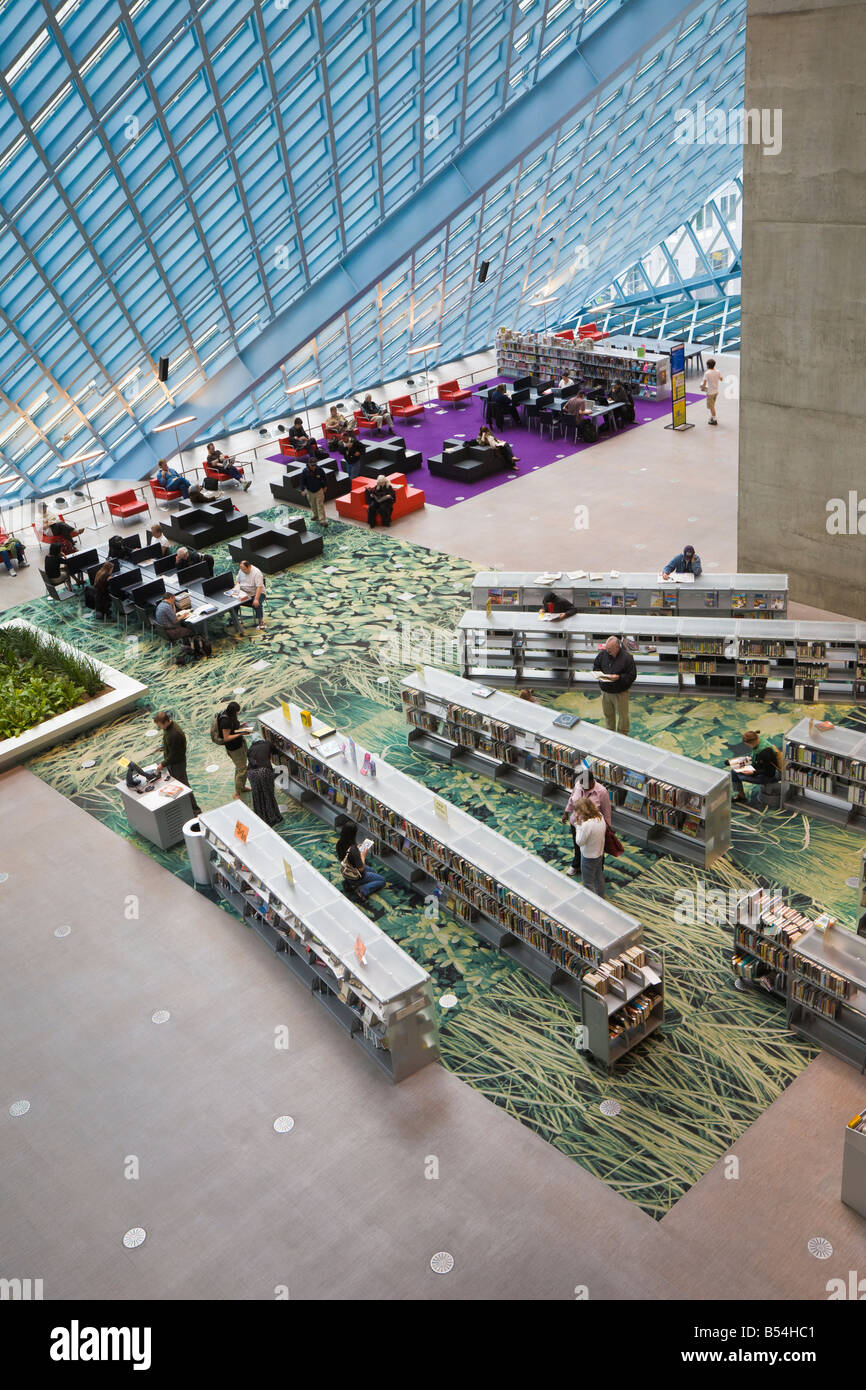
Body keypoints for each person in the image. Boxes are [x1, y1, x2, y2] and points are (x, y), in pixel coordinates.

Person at [562, 765, 611, 877]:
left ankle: (598, 870)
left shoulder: (602, 792)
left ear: (592, 781)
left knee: (596, 849)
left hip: (593, 827)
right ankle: (576, 865)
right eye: (581, 785)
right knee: (577, 845)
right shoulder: (578, 785)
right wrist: (566, 812)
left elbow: (607, 812)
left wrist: (607, 830)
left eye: (585, 786)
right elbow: (572, 799)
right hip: (576, 823)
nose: (582, 788)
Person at [153, 711, 201, 814]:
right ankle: (187, 808)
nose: (159, 728)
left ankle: (195, 810)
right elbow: (170, 745)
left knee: (184, 787)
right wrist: (163, 747)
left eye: (160, 725)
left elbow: (174, 755)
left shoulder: (174, 734)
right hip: (173, 763)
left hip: (177, 764)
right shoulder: (168, 728)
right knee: (179, 785)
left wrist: (162, 764)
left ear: (166, 722)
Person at [592, 635, 636, 734]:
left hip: (620, 693)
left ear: (617, 647)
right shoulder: (602, 654)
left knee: (623, 716)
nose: (608, 651)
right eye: (607, 648)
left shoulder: (627, 658)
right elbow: (596, 667)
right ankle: (609, 732)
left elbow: (632, 676)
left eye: (610, 649)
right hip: (605, 692)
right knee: (608, 714)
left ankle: (623, 734)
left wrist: (619, 677)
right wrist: (600, 675)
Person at [336, 820, 386, 904]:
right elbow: (361, 868)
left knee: (372, 871)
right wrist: (363, 855)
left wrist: (357, 849)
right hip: (355, 875)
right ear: (353, 834)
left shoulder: (339, 843)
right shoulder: (354, 850)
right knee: (382, 880)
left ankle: (348, 883)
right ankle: (362, 890)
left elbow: (346, 857)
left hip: (346, 871)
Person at [729, 731, 782, 804]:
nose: (748, 746)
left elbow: (770, 773)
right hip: (760, 767)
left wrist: (753, 772)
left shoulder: (765, 753)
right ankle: (741, 795)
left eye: (747, 745)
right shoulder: (760, 743)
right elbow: (754, 759)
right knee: (734, 768)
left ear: (751, 743)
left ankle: (741, 796)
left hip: (771, 775)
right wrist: (735, 762)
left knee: (737, 774)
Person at [570, 797, 606, 897]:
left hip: (589, 856)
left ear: (583, 811)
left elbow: (579, 842)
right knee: (598, 876)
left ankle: (592, 902)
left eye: (577, 812)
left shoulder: (586, 825)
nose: (576, 814)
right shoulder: (600, 816)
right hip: (599, 852)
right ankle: (601, 897)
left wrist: (578, 826)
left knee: (588, 882)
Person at [154, 590, 208, 657]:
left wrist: (173, 604)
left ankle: (186, 644)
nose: (174, 601)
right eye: (174, 600)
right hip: (170, 632)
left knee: (184, 625)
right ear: (170, 598)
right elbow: (175, 620)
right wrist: (184, 615)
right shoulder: (167, 607)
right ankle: (194, 649)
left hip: (164, 631)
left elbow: (173, 614)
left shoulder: (161, 605)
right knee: (191, 631)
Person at [217, 700, 253, 799]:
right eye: (237, 712)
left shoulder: (231, 716)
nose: (238, 714)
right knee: (242, 769)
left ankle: (242, 787)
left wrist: (241, 726)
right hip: (234, 748)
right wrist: (241, 733)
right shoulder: (225, 721)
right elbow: (226, 738)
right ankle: (237, 793)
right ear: (233, 712)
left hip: (240, 744)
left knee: (241, 768)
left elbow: (232, 729)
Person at [247, 739, 282, 826]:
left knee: (257, 796)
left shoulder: (250, 749)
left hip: (251, 773)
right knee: (268, 795)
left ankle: (261, 817)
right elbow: (276, 752)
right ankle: (273, 818)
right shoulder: (267, 743)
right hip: (264, 772)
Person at [236, 558, 266, 631]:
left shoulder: (257, 573)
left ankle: (261, 622)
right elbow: (237, 582)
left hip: (257, 593)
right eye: (242, 569)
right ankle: (234, 619)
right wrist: (235, 590)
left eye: (244, 569)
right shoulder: (241, 570)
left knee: (257, 604)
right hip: (244, 593)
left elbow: (259, 587)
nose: (243, 571)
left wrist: (256, 599)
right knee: (234, 602)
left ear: (249, 566)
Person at [300, 456, 329, 526]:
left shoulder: (320, 470)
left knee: (320, 505)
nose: (314, 467)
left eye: (315, 465)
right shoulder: (305, 471)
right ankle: (316, 515)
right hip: (309, 491)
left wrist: (325, 486)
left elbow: (325, 478)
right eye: (312, 465)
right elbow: (302, 481)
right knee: (313, 505)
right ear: (309, 464)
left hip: (319, 490)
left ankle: (322, 520)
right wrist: (302, 490)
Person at [700, 357, 723, 425]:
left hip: (710, 392)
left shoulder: (707, 373)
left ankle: (714, 420)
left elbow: (704, 383)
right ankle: (712, 417)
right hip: (716, 392)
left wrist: (702, 388)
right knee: (712, 406)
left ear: (707, 365)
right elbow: (721, 379)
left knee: (711, 407)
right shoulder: (718, 371)